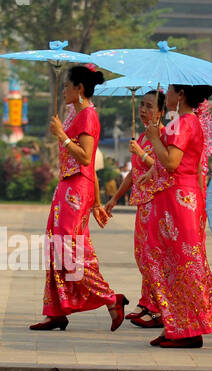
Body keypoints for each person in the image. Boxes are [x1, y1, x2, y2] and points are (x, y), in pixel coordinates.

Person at [31, 64, 128, 332]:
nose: (63, 90)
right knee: (57, 243)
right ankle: (56, 310)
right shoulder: (79, 114)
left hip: (76, 189)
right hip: (69, 187)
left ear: (79, 88)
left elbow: (86, 157)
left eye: (66, 85)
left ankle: (110, 298)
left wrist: (61, 135)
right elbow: (91, 168)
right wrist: (97, 202)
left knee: (67, 248)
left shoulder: (88, 116)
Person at [132, 83, 212, 348]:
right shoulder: (182, 122)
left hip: (180, 201)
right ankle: (177, 325)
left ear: (181, 95)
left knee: (180, 263)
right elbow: (168, 162)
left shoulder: (185, 123)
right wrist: (151, 171)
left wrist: (156, 139)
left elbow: (172, 162)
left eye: (169, 90)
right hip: (175, 198)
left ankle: (189, 330)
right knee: (169, 262)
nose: (165, 95)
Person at [98, 90, 170, 329]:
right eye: (142, 105)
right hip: (142, 203)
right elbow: (134, 173)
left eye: (149, 106)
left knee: (152, 256)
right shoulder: (142, 138)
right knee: (142, 254)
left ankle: (160, 307)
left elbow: (165, 167)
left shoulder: (162, 136)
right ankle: (147, 302)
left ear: (161, 112)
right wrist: (115, 198)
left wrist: (142, 154)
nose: (143, 110)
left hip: (157, 202)